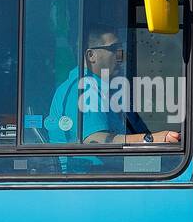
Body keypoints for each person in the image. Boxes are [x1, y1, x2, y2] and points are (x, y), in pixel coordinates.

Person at [45, 25, 182, 145]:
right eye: (114, 48)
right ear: (91, 55)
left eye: (121, 49)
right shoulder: (85, 88)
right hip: (93, 172)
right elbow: (96, 140)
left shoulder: (103, 88)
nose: (120, 56)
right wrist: (150, 139)